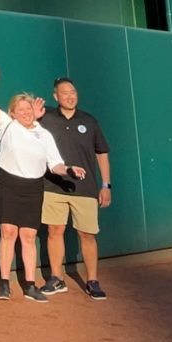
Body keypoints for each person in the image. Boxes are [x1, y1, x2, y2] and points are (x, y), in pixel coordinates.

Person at [0, 72, 83, 303]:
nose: (26, 112)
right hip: (8, 184)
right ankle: (4, 284)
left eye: (29, 108)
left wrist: (69, 170)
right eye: (21, 109)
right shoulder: (7, 125)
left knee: (28, 236)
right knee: (8, 233)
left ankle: (30, 284)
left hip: (33, 187)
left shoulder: (44, 134)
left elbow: (55, 164)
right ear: (13, 113)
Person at [38, 79, 112, 301]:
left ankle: (92, 281)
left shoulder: (89, 121)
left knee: (87, 235)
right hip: (53, 186)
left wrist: (106, 185)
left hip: (85, 188)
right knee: (54, 231)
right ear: (56, 96)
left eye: (73, 92)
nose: (70, 96)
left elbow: (102, 154)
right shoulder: (46, 117)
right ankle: (56, 278)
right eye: (65, 93)